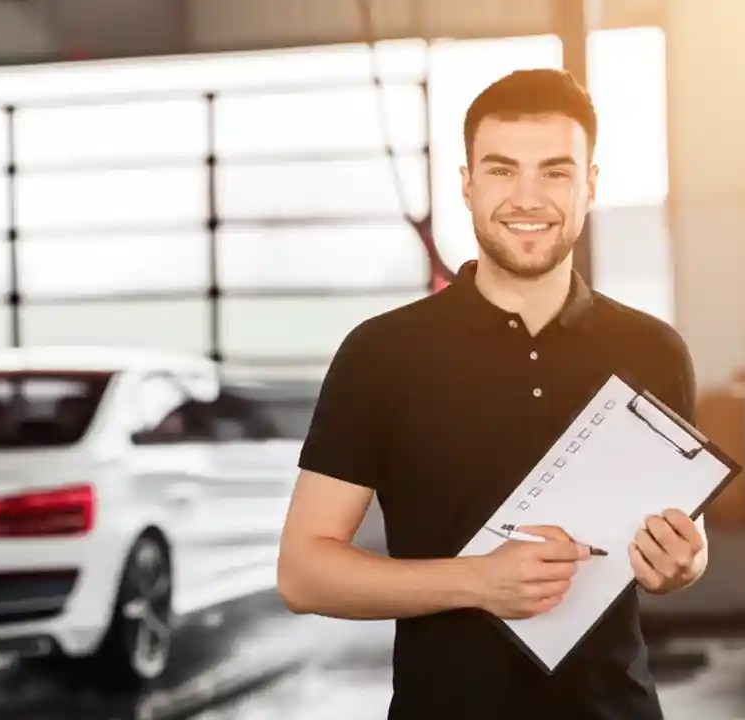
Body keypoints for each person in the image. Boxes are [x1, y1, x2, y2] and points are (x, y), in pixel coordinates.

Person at [277, 69, 708, 718]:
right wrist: (478, 581)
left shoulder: (654, 350)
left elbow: (685, 534)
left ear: (590, 185)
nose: (527, 198)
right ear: (467, 184)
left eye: (555, 172)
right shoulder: (382, 354)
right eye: (503, 170)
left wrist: (685, 564)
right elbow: (304, 574)